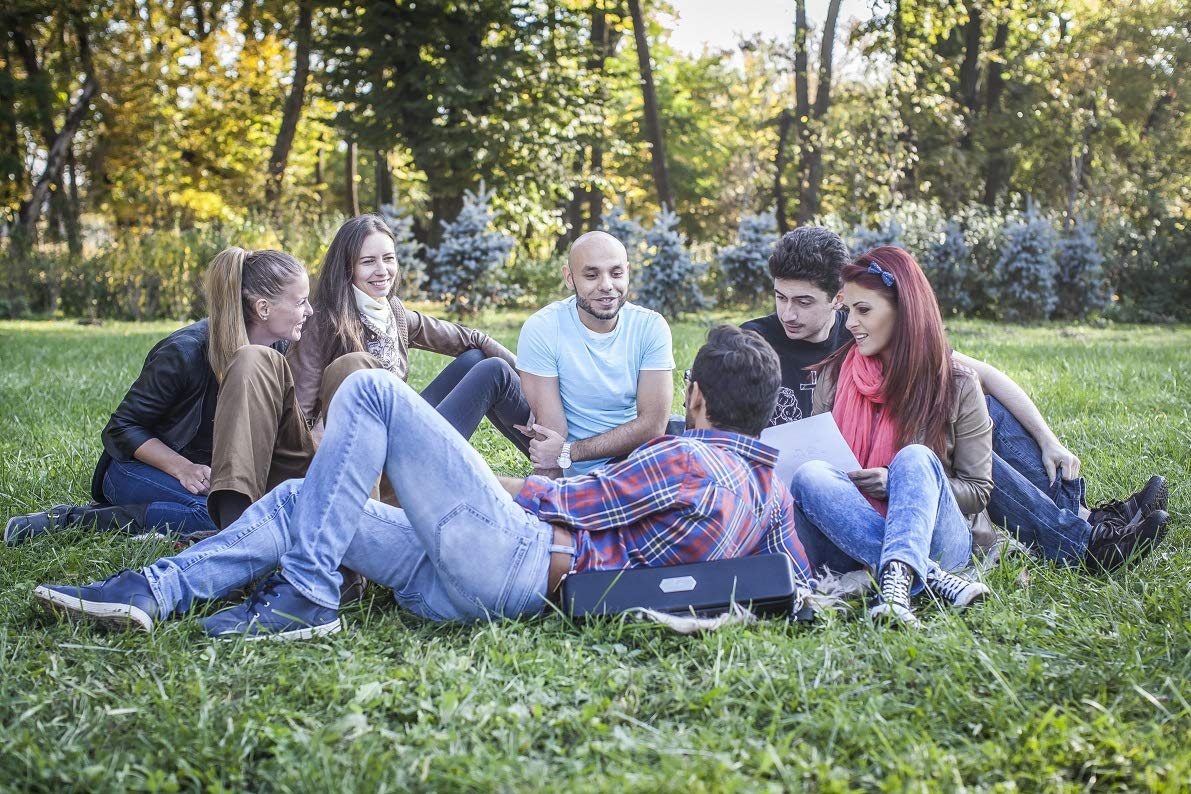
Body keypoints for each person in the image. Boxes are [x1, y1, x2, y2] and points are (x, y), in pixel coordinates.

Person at [32, 325, 811, 641]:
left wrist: (431, 478)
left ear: (697, 399)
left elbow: (557, 499)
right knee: (305, 497)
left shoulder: (685, 457)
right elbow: (792, 584)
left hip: (512, 560)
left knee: (371, 393)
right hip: (478, 588)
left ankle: (306, 594)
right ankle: (152, 590)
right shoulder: (771, 491)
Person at [744, 226, 1170, 572]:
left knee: (978, 408)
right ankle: (1081, 530)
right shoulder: (757, 341)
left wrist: (1048, 439)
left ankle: (1081, 519)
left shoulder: (864, 330)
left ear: (838, 298)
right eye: (780, 298)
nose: (788, 314)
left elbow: (983, 377)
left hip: (900, 461)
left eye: (803, 301)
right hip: (817, 484)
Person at [207, 214, 519, 525]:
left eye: (388, 259)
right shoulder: (324, 321)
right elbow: (303, 420)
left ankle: (556, 458)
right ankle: (245, 526)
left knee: (483, 363)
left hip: (393, 441)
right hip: (347, 450)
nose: (382, 270)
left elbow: (471, 338)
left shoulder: (392, 312)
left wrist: (529, 375)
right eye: (368, 261)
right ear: (348, 269)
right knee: (357, 371)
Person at [5, 248, 311, 545]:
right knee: (220, 518)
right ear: (263, 308)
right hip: (137, 469)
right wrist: (182, 468)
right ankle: (70, 520)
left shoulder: (276, 351)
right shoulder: (184, 352)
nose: (309, 311)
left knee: (261, 512)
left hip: (208, 476)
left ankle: (162, 525)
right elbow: (121, 429)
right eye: (301, 302)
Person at [789, 247, 999, 626]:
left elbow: (978, 490)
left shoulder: (956, 384)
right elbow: (823, 461)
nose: (850, 323)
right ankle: (928, 578)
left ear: (904, 310)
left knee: (914, 459)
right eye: (847, 310)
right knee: (809, 474)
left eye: (863, 310)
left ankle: (906, 574)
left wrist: (898, 484)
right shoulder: (835, 375)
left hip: (937, 538)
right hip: (845, 536)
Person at [516, 230, 677, 477]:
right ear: (569, 278)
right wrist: (552, 493)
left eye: (616, 273)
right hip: (566, 462)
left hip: (628, 461)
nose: (606, 286)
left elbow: (653, 425)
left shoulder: (650, 327)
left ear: (628, 272)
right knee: (489, 370)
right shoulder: (543, 327)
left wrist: (570, 451)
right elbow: (551, 434)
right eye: (591, 275)